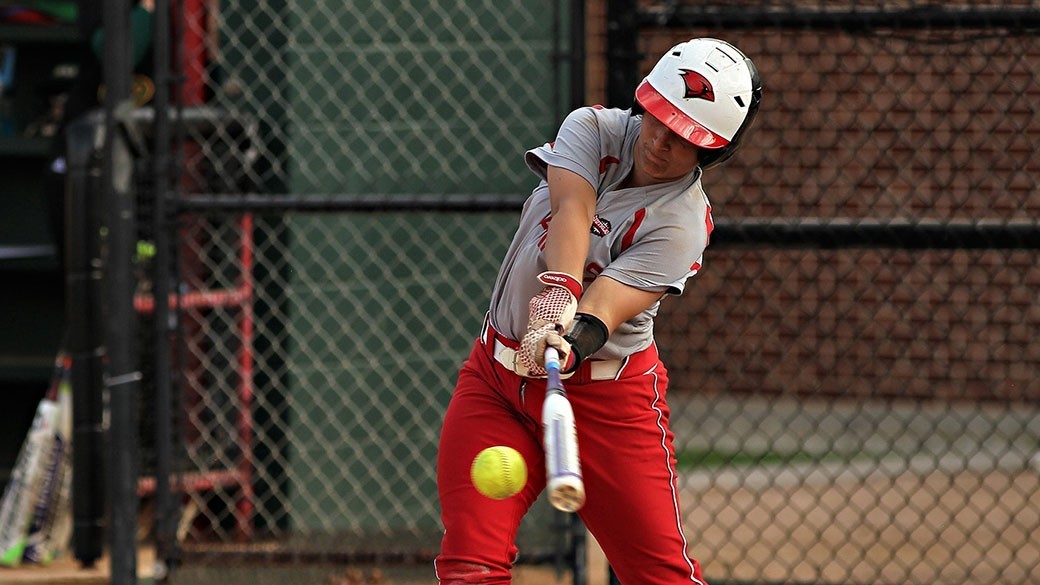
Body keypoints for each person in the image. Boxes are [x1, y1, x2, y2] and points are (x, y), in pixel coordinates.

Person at [435, 38, 762, 584]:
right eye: (659, 118)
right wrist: (558, 288)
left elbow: (607, 306)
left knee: (659, 576)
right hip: (495, 385)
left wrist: (569, 327)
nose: (660, 142)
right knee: (470, 564)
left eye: (685, 138)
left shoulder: (683, 224)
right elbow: (571, 206)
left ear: (712, 151)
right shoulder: (594, 128)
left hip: (608, 406)